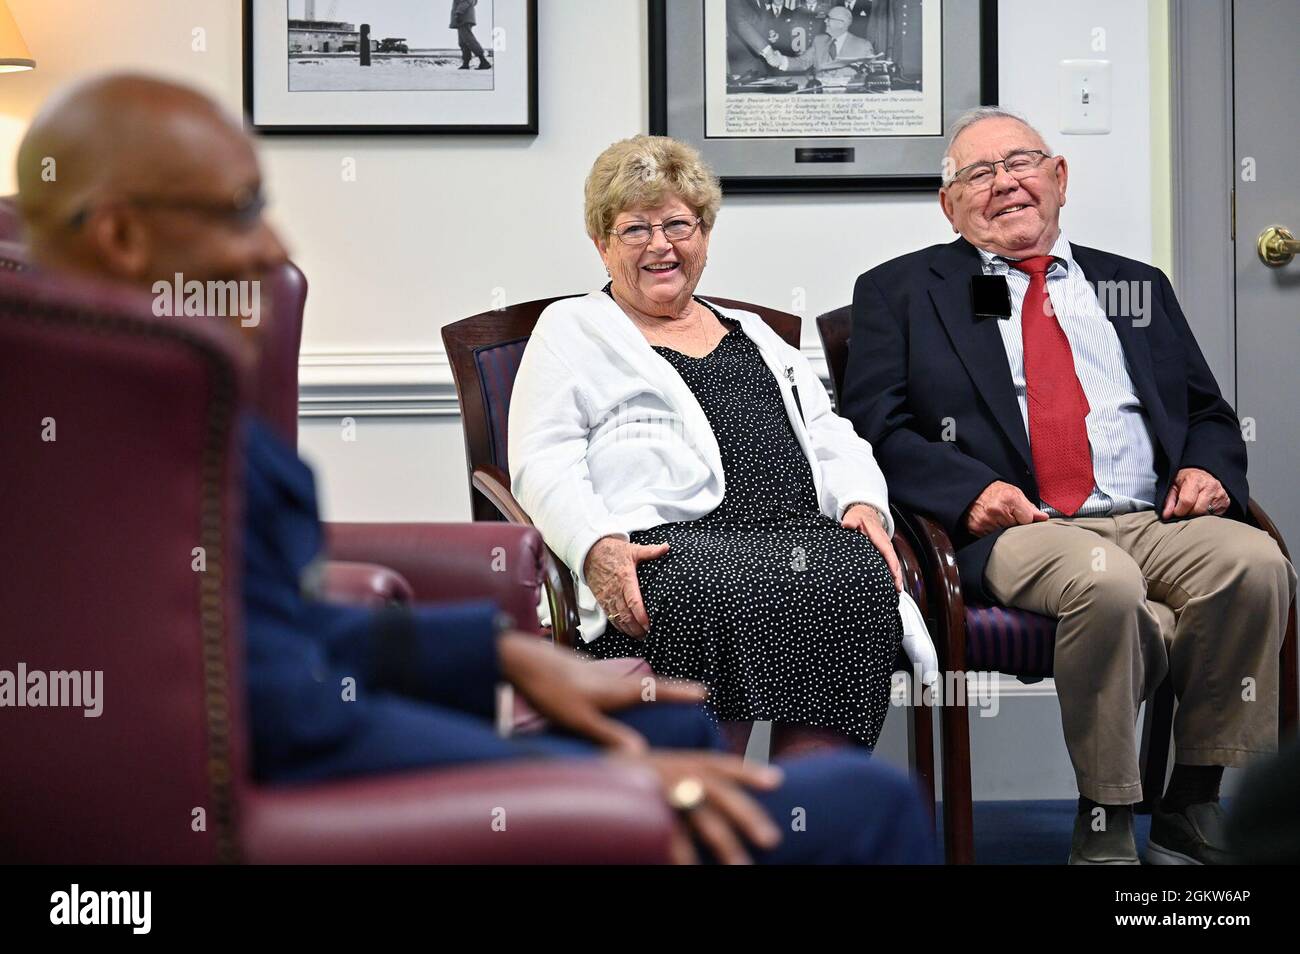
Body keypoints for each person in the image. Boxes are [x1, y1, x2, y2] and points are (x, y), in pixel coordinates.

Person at [15, 73, 936, 865]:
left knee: (692, 709)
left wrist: (499, 657)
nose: (272, 250)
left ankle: (760, 790)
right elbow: (280, 707)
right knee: (870, 803)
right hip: (329, 765)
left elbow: (254, 636)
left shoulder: (149, 402)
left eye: (681, 223)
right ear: (124, 239)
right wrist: (608, 784)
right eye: (243, 210)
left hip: (784, 541)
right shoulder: (148, 428)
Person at [840, 105, 1296, 865]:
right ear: (951, 205)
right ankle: (1107, 816)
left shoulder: (1131, 284)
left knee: (1256, 564)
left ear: (1058, 178)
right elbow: (875, 429)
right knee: (1105, 581)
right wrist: (968, 492)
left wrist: (1208, 470)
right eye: (977, 174)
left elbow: (1208, 410)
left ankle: (1191, 797)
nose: (1004, 184)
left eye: (1020, 162)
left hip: (1153, 516)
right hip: (1017, 528)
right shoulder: (902, 291)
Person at [509, 134, 918, 754]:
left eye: (678, 224)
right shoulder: (572, 328)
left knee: (860, 569)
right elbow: (542, 459)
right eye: (635, 229)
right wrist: (595, 546)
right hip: (667, 544)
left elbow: (828, 429)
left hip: (797, 536)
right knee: (722, 581)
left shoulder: (752, 330)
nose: (661, 245)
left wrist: (862, 502)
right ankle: (708, 813)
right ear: (600, 243)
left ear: (704, 235)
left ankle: (803, 817)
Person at [765, 5, 876, 73]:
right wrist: (780, 61)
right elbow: (802, 62)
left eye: (829, 19)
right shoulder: (819, 41)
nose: (824, 21)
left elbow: (872, 75)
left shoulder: (863, 46)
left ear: (841, 24)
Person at [450, 0, 490, 71]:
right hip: (463, 18)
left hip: (464, 17)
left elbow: (466, 1)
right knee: (463, 42)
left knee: (469, 40)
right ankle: (466, 63)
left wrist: (459, 13)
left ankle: (483, 61)